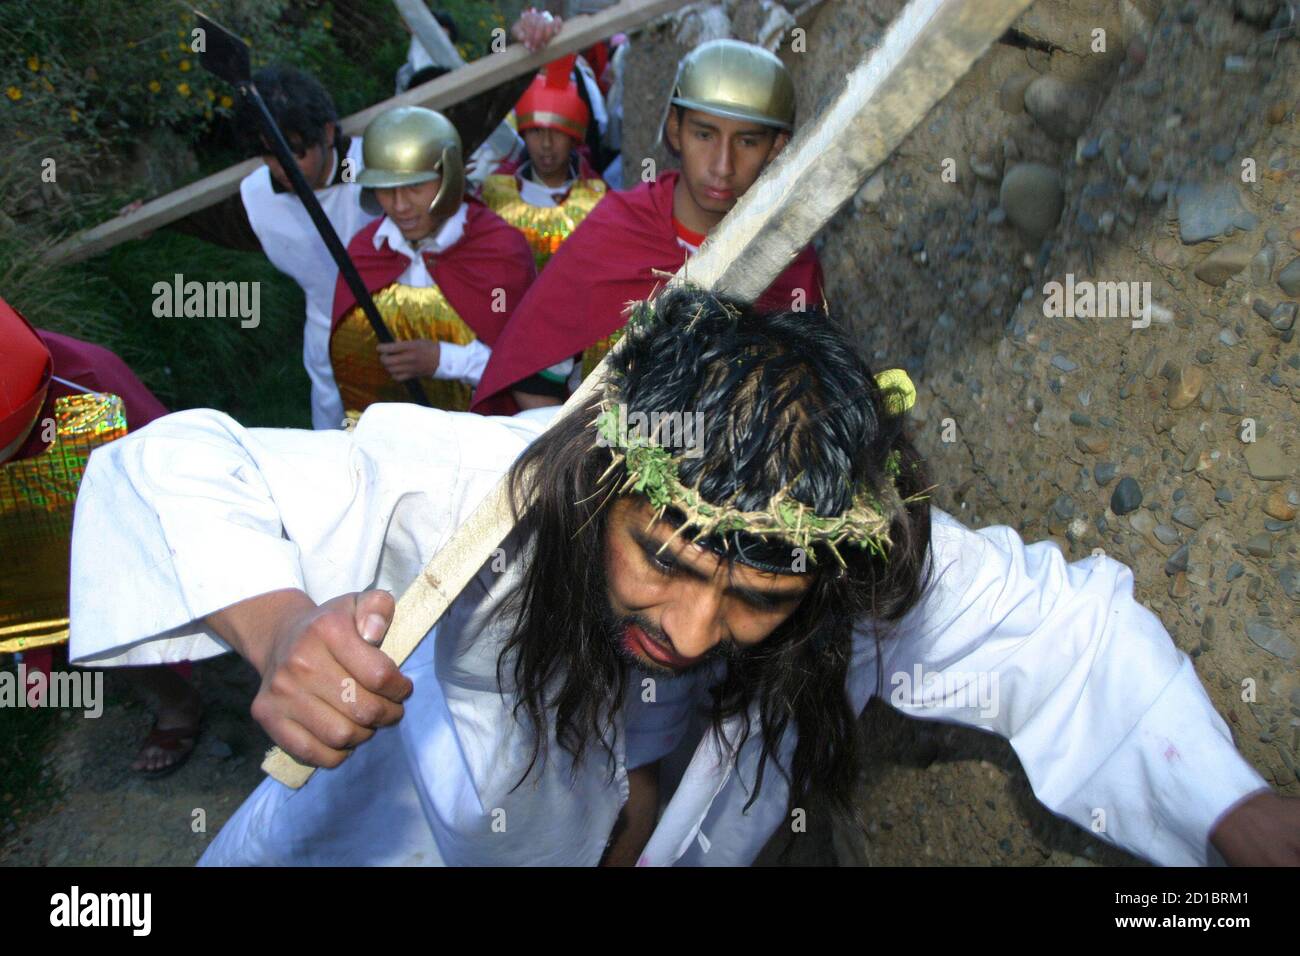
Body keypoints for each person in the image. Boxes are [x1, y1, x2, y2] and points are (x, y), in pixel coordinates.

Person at [67, 288, 1297, 865]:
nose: (699, 628)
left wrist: (1239, 819)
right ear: (611, 490)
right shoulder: (487, 489)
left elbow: (1063, 630)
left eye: (759, 598)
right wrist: (283, 630)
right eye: (667, 562)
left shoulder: (849, 554)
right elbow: (164, 469)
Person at [471, 38, 825, 415]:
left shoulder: (789, 260)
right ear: (675, 129)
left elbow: (804, 407)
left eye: (748, 141)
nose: (722, 165)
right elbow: (533, 374)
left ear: (776, 148)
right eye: (704, 134)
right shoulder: (615, 228)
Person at [0, 297, 202, 775]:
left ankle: (255, 643)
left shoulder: (86, 388)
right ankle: (172, 696)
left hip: (59, 424)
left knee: (116, 572)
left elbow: (171, 472)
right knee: (70, 600)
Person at [326, 106, 536, 415]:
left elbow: (530, 367)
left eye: (415, 187)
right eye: (386, 190)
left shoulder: (499, 251)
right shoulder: (364, 252)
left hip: (483, 436)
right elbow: (351, 358)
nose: (400, 206)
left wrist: (445, 360)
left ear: (448, 176)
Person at [479, 54, 608, 270]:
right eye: (536, 132)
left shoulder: (600, 201)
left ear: (573, 139)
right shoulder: (493, 197)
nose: (546, 144)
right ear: (524, 135)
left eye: (557, 133)